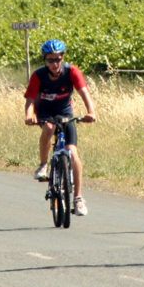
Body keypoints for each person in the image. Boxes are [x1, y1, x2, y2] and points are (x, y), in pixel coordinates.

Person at [23, 39, 97, 215]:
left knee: (72, 151)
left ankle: (78, 198)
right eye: (50, 60)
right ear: (45, 60)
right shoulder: (38, 75)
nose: (55, 64)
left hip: (65, 112)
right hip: (45, 111)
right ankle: (43, 165)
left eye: (57, 59)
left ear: (62, 58)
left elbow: (83, 91)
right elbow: (30, 99)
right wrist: (29, 115)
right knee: (48, 129)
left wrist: (91, 111)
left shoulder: (71, 71)